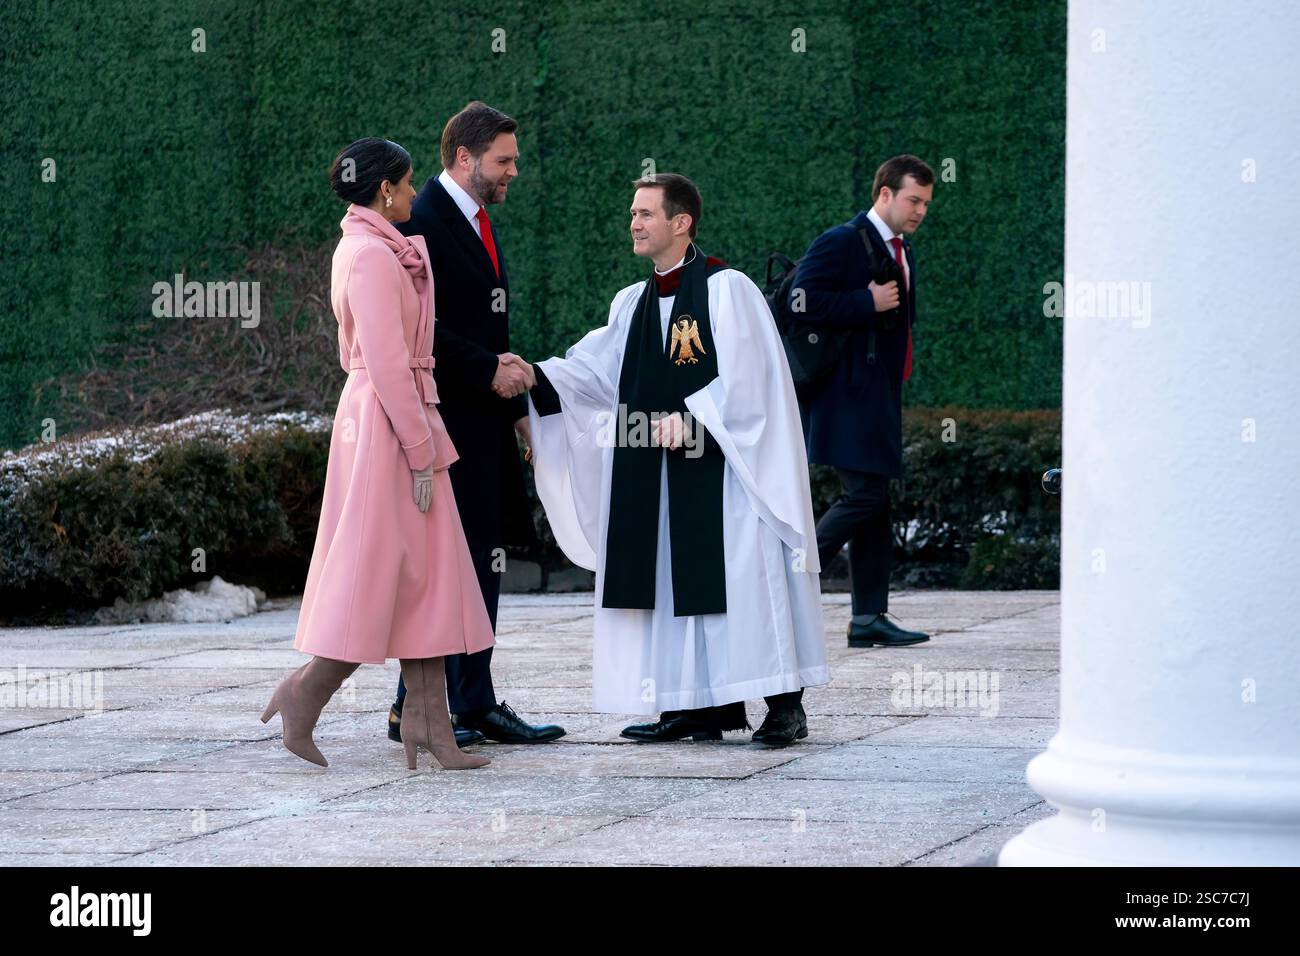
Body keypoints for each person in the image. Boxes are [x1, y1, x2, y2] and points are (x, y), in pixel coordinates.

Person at [521, 174, 829, 747]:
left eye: (645, 213)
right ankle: (695, 706)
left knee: (746, 585)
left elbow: (755, 381)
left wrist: (697, 420)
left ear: (681, 222)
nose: (633, 223)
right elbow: (595, 370)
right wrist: (532, 376)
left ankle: (785, 704)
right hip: (658, 475)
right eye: (632, 214)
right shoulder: (632, 302)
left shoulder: (727, 289)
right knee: (670, 584)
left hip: (729, 476)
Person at [263, 138, 493, 771]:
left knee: (426, 572)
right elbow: (386, 365)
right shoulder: (367, 254)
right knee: (378, 574)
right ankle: (306, 694)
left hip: (401, 415)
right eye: (409, 183)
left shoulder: (380, 247)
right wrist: (421, 451)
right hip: (389, 422)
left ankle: (428, 720)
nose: (417, 192)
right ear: (385, 190)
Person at [387, 102, 565, 746]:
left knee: (477, 565)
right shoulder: (421, 219)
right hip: (443, 420)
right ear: (465, 158)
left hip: (482, 420)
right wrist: (487, 367)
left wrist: (517, 413)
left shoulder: (477, 218)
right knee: (446, 568)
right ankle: (435, 707)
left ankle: (464, 701)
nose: (514, 170)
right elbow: (413, 328)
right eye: (504, 160)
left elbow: (491, 329)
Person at [791, 154, 935, 648]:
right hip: (845, 397)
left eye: (925, 203)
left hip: (878, 397)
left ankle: (870, 616)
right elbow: (799, 301)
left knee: (877, 504)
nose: (919, 210)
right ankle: (792, 577)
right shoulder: (842, 241)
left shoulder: (902, 250)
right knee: (865, 497)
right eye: (913, 200)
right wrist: (864, 302)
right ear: (884, 194)